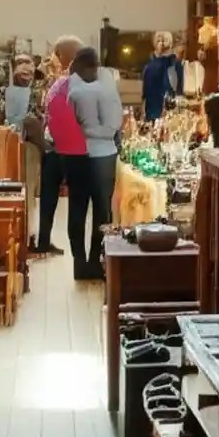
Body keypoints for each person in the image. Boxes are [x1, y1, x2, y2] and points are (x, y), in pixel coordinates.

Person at [68, 47, 122, 279]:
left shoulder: (72, 87)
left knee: (78, 210)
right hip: (103, 155)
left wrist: (83, 130)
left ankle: (81, 264)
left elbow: (65, 121)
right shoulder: (107, 86)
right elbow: (113, 126)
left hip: (77, 154)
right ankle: (96, 262)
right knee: (101, 211)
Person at [42, 36, 91, 277]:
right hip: (81, 153)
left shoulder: (58, 86)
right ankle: (87, 264)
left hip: (59, 150)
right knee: (83, 209)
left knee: (71, 208)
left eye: (56, 54)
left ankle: (79, 262)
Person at [35, 36, 83, 255]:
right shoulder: (72, 79)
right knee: (58, 197)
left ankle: (47, 242)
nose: (52, 57)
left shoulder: (70, 81)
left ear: (64, 56)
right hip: (67, 148)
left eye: (56, 53)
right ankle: (48, 242)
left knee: (52, 197)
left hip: (61, 147)